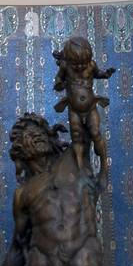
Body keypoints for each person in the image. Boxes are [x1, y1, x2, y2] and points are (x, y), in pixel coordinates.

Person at [52, 34, 115, 176]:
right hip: (74, 109)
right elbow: (58, 80)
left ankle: (104, 166)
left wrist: (106, 74)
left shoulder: (91, 65)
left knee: (95, 133)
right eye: (76, 64)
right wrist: (59, 84)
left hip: (91, 107)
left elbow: (97, 73)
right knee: (76, 136)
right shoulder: (65, 66)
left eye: (83, 63)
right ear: (68, 60)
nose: (80, 67)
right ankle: (80, 169)